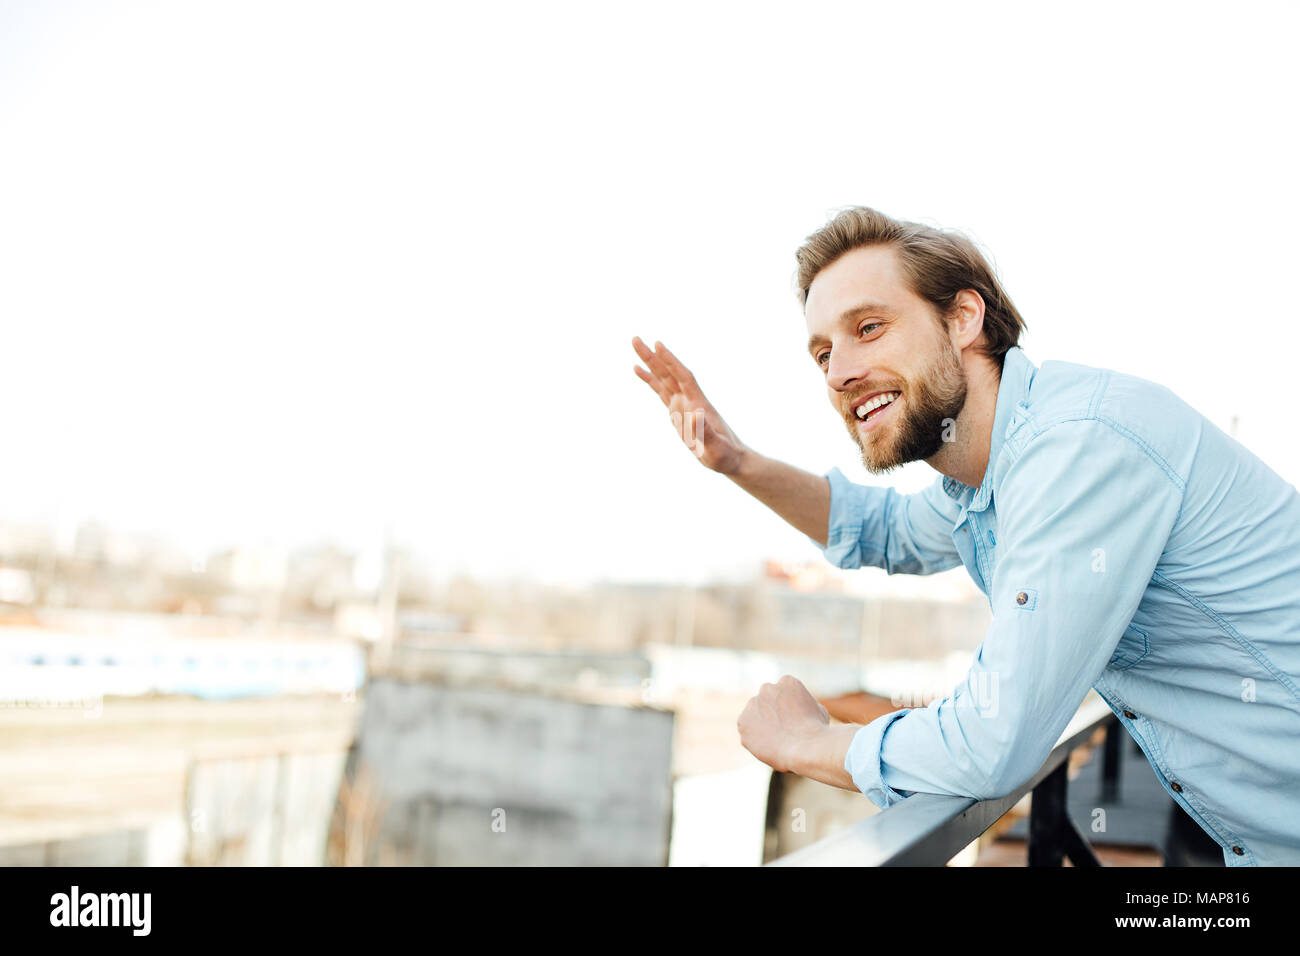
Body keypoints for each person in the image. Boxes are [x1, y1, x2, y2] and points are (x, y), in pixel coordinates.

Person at [631, 206, 1300, 866]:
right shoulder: (986, 482)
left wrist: (810, 742)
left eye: (869, 327)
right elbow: (880, 530)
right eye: (823, 354)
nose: (838, 373)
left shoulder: (1076, 449)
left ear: (963, 319)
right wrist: (737, 462)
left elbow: (993, 740)